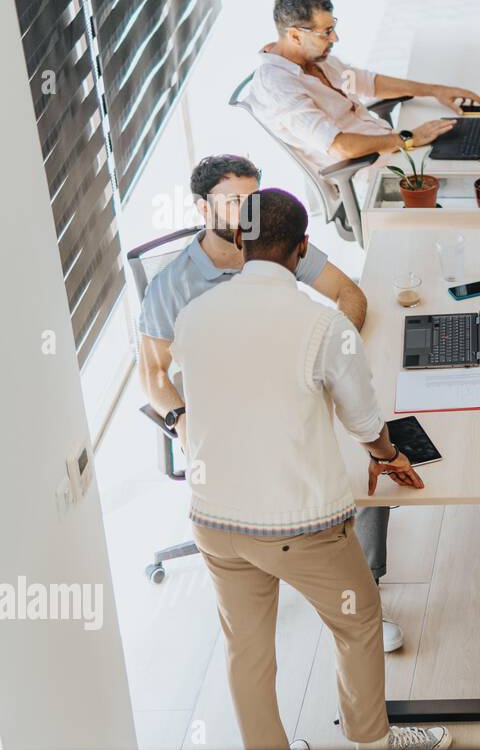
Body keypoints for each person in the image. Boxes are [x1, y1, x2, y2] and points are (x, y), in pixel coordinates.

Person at [171, 189, 451, 750]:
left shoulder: (194, 315)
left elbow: (207, 393)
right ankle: (372, 746)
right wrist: (387, 454)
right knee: (358, 621)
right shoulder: (322, 325)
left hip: (213, 520)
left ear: (238, 241)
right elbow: (365, 421)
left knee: (247, 649)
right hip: (298, 525)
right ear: (302, 249)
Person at [137, 155, 405, 651]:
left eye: (254, 199)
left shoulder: (276, 245)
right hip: (225, 420)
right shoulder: (171, 287)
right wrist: (182, 420)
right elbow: (153, 374)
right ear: (202, 208)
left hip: (290, 397)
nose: (249, 212)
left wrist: (333, 346)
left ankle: (362, 590)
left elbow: (349, 294)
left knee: (361, 431)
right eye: (235, 201)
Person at [246, 0, 480, 174]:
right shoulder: (277, 86)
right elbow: (340, 147)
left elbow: (370, 83)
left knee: (475, 142)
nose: (335, 38)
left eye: (332, 27)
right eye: (326, 32)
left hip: (391, 146)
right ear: (296, 36)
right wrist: (409, 138)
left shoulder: (314, 57)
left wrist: (435, 90)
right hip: (370, 170)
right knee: (473, 166)